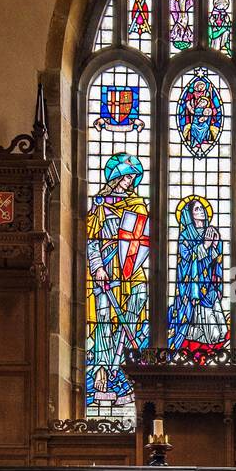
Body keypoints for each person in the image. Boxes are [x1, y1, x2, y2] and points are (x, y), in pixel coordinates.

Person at [86, 152, 149, 408]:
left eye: (133, 177)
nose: (130, 181)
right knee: (103, 319)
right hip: (106, 272)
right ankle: (102, 370)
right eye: (126, 176)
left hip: (131, 271)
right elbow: (92, 241)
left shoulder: (138, 204)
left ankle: (121, 368)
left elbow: (142, 239)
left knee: (134, 312)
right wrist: (98, 268)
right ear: (115, 177)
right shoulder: (100, 205)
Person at [168, 195, 229, 356]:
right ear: (189, 214)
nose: (201, 211)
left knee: (221, 331)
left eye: (202, 208)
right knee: (209, 332)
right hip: (194, 291)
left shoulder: (211, 232)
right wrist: (205, 245)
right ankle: (196, 348)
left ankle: (210, 352)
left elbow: (215, 261)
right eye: (197, 209)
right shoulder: (185, 236)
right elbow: (186, 262)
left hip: (210, 287)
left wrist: (215, 245)